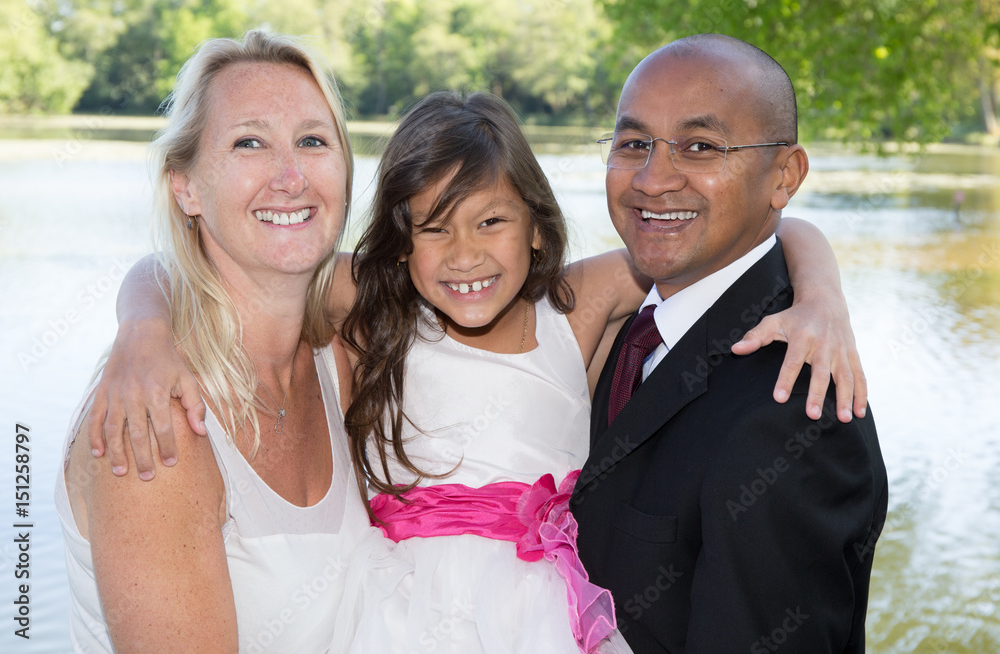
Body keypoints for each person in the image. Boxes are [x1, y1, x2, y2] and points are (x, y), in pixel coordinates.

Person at [85, 86, 866, 652]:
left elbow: (759, 229)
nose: (464, 256)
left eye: (492, 221)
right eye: (433, 229)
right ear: (400, 240)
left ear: (535, 228)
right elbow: (191, 267)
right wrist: (144, 328)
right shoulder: (375, 303)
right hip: (397, 607)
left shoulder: (575, 305)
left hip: (542, 610)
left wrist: (822, 295)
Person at [54, 30, 383, 652]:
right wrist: (145, 323)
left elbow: (489, 274)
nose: (290, 177)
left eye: (313, 141)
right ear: (186, 186)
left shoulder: (343, 350)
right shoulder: (154, 418)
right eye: (248, 142)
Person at [570, 34, 889, 652]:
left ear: (785, 175)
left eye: (700, 147)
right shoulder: (621, 325)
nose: (653, 179)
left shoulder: (793, 413)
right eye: (634, 143)